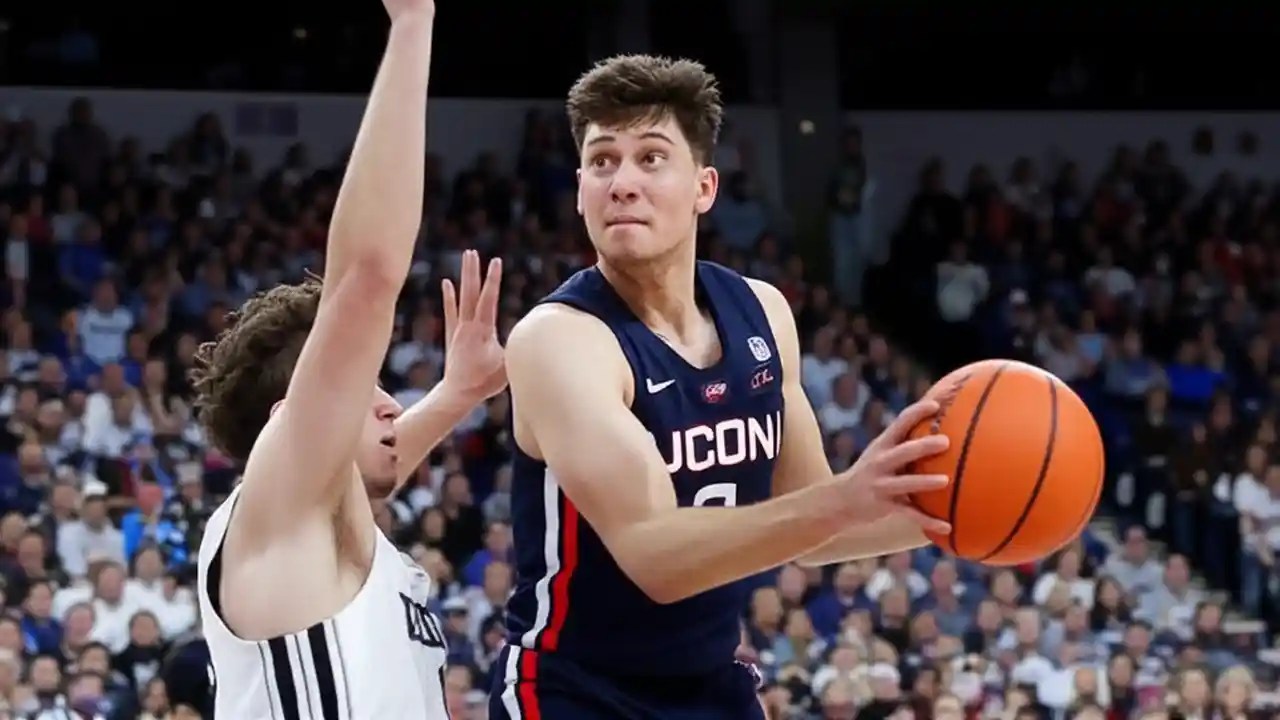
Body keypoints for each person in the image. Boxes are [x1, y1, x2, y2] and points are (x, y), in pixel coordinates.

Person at [490, 54, 952, 719]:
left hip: (711, 681)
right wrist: (843, 502)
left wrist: (957, 519)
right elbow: (656, 558)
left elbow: (810, 521)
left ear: (705, 187)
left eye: (650, 158)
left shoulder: (762, 312)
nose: (621, 182)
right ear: (581, 188)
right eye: (601, 161)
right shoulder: (561, 340)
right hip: (575, 689)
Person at [191, 1, 506, 717]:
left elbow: (389, 449)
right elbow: (365, 277)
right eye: (368, 392)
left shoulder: (323, 528)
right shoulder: (279, 505)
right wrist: (413, 26)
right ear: (289, 421)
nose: (394, 404)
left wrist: (456, 396)